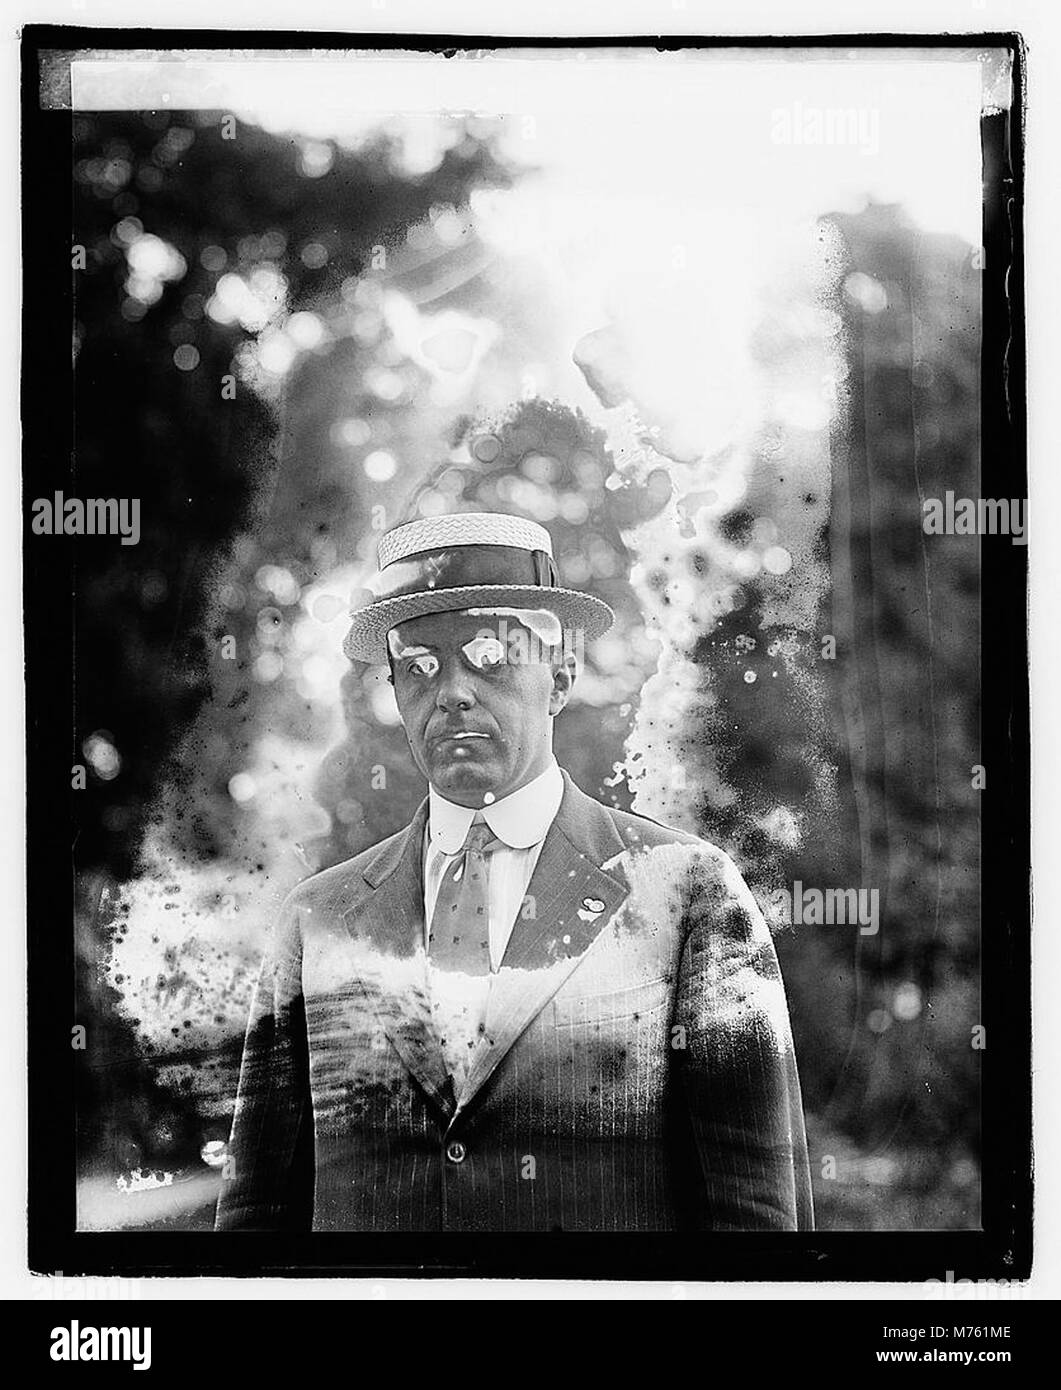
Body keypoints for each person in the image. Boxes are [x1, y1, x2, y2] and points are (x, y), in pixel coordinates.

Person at [215, 510, 813, 1232]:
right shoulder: (317, 920)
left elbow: (756, 1219)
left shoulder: (686, 894)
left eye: (490, 654)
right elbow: (252, 1223)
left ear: (560, 675)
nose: (453, 691)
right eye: (420, 667)